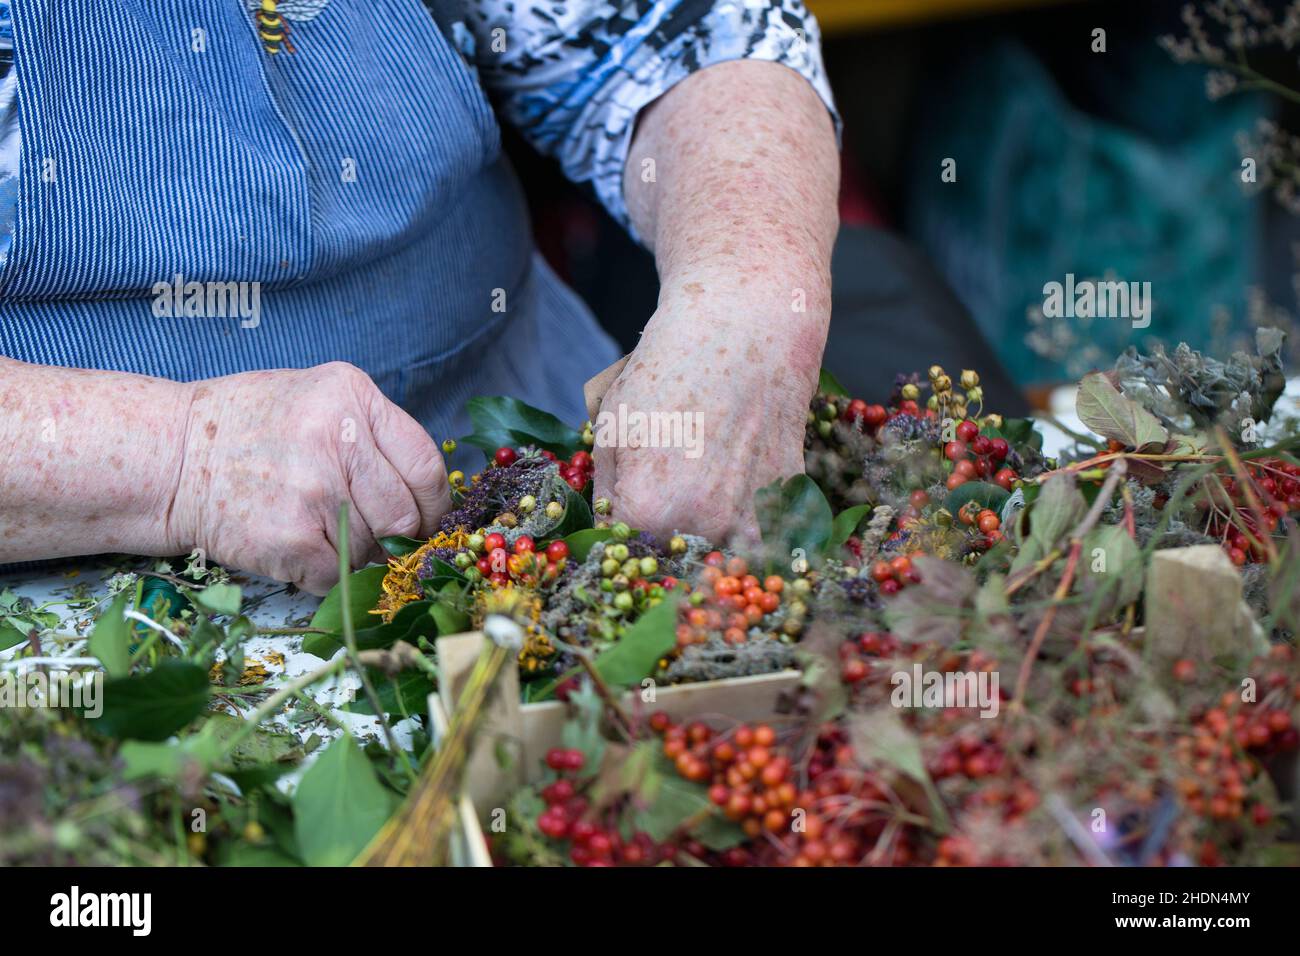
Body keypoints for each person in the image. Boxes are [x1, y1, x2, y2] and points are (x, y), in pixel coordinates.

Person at [0, 0, 839, 593]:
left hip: (552, 477)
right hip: (95, 600)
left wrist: (744, 299)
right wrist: (185, 460)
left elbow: (688, 29)